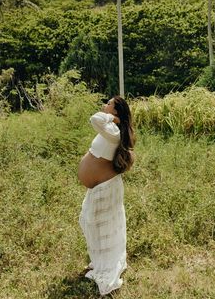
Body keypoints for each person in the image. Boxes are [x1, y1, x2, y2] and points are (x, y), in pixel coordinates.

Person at [78, 95, 135, 296]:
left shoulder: (113, 130)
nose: (106, 104)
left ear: (116, 111)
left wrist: (114, 119)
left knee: (100, 227)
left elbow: (95, 119)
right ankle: (100, 262)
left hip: (105, 187)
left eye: (110, 103)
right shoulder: (110, 129)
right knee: (89, 222)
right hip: (101, 187)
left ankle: (106, 267)